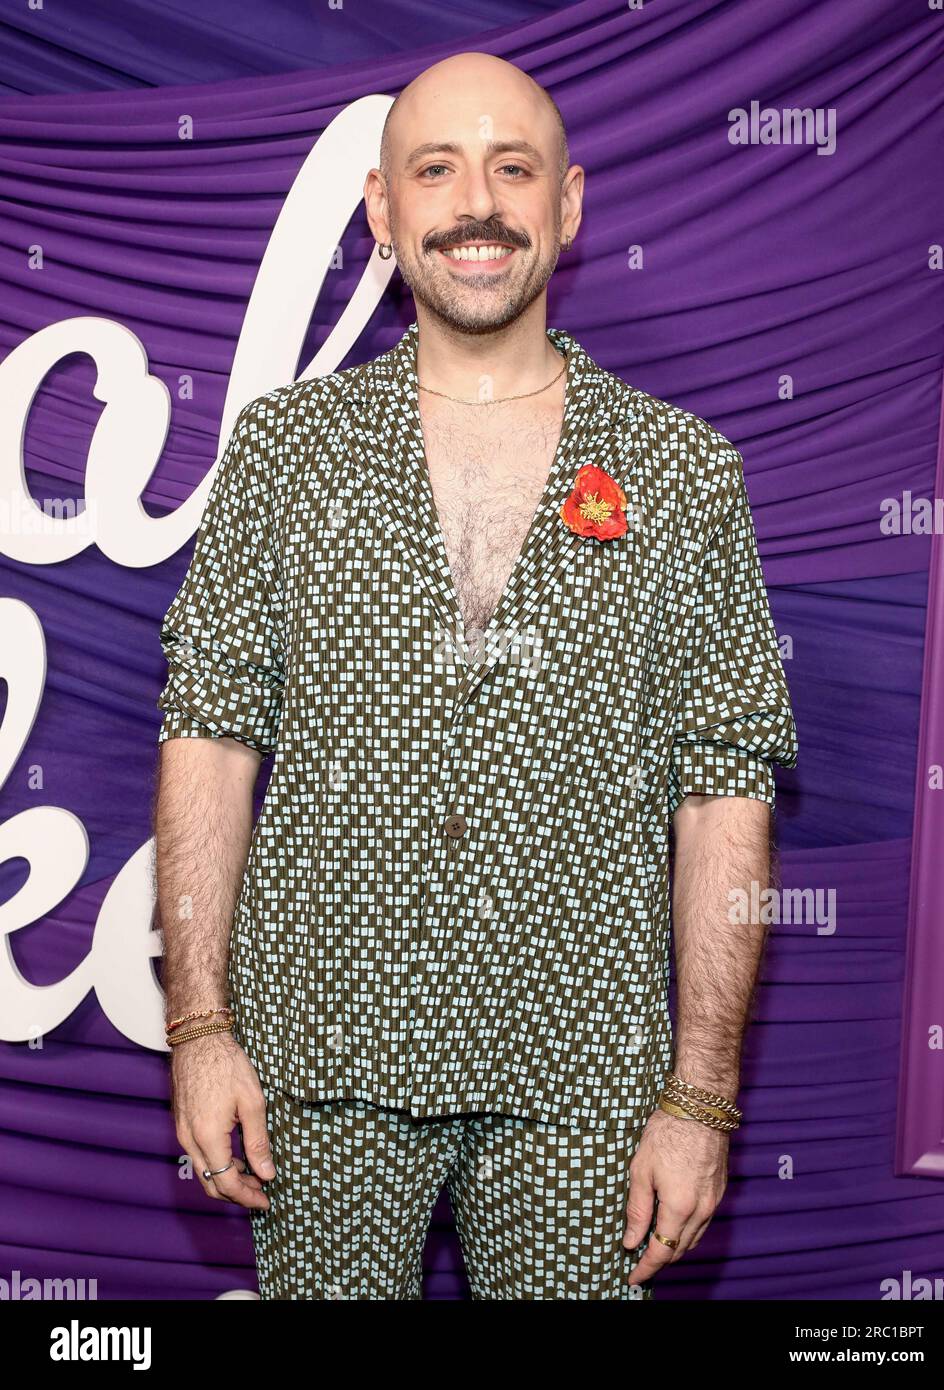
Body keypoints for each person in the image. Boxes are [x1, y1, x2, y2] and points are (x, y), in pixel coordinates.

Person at [153, 50, 798, 1301]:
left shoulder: (683, 474)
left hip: (585, 1086)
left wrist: (702, 1095)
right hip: (317, 1064)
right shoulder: (285, 451)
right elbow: (209, 739)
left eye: (514, 168)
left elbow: (724, 792)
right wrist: (200, 1028)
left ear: (565, 205)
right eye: (434, 169)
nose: (477, 203)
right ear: (381, 211)